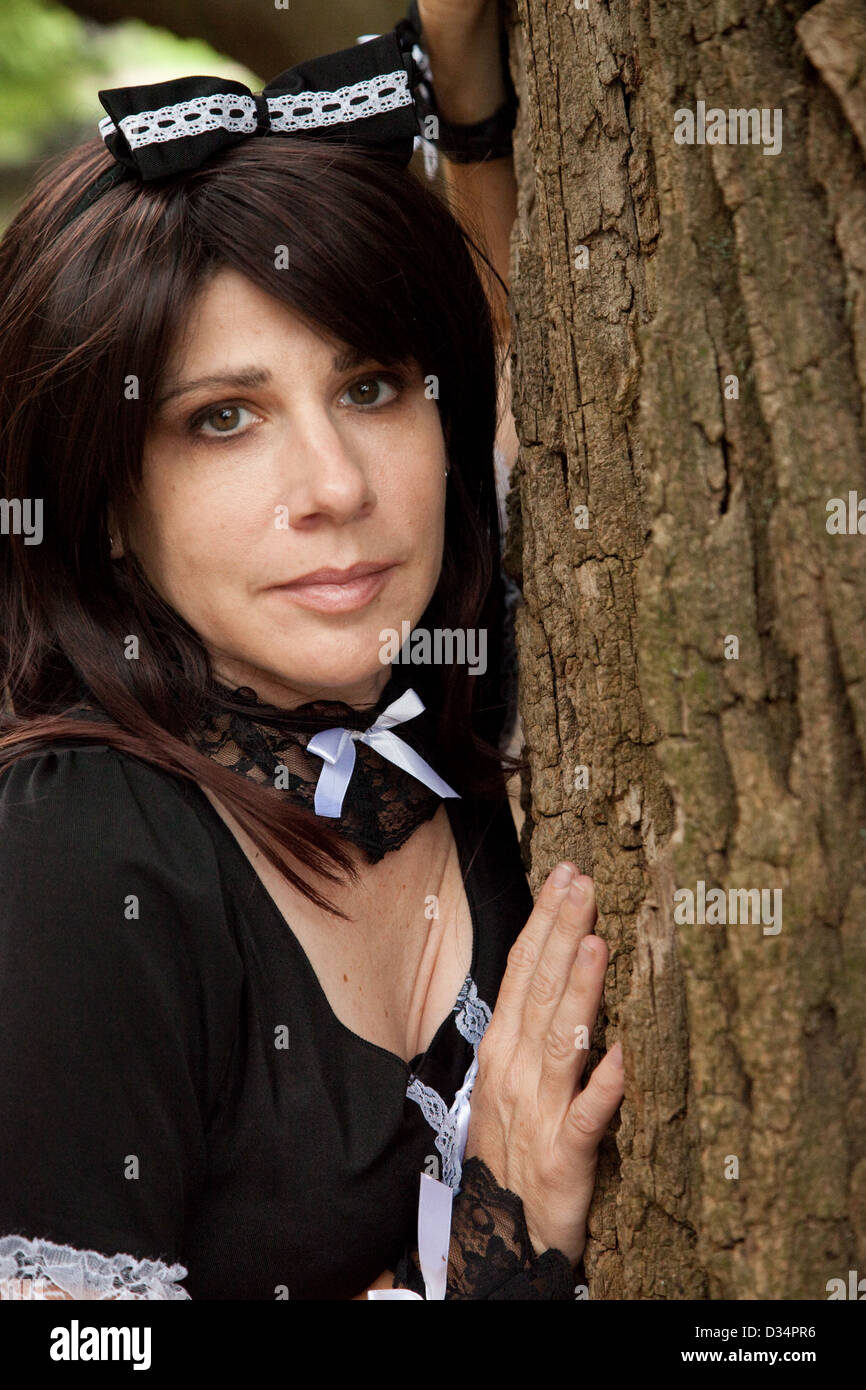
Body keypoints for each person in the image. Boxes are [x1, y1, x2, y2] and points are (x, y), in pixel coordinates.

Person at [0, 0, 624, 1300]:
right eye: (223, 418)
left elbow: (561, 405)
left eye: (370, 388)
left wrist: (474, 108)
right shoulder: (71, 860)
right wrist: (484, 1254)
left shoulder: (484, 701)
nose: (333, 485)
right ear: (106, 500)